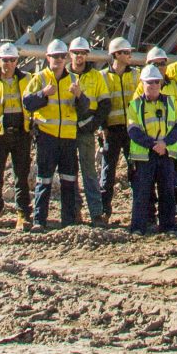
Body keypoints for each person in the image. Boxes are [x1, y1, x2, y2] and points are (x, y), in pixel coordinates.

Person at [23, 38, 89, 227]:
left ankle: (68, 221)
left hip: (68, 137)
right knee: (44, 180)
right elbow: (27, 103)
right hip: (47, 136)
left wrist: (79, 96)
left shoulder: (74, 80)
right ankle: (39, 220)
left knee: (69, 180)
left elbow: (84, 109)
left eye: (61, 56)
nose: (58, 60)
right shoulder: (40, 79)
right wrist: (43, 93)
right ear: (47, 57)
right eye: (54, 56)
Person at [126, 64, 177, 234]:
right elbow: (133, 130)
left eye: (156, 82)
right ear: (142, 83)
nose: (153, 86)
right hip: (144, 156)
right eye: (149, 82)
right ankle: (138, 227)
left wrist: (164, 144)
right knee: (142, 193)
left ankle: (168, 225)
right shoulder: (135, 105)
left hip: (165, 154)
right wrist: (153, 145)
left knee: (167, 191)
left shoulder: (170, 102)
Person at [0, 41, 33, 224]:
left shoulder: (27, 78)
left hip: (21, 132)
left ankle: (23, 213)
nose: (8, 64)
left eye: (12, 60)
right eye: (5, 60)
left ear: (17, 61)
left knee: (21, 175)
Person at [65, 36, 111, 221]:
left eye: (83, 53)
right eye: (76, 53)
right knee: (69, 172)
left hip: (85, 131)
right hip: (66, 130)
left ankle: (96, 213)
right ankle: (74, 210)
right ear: (70, 54)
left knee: (89, 172)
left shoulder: (95, 77)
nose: (79, 56)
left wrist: (93, 125)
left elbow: (105, 104)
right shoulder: (63, 75)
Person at [98, 37, 142, 222]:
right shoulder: (103, 77)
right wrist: (102, 127)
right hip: (112, 130)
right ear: (115, 54)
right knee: (108, 171)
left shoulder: (136, 75)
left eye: (129, 52)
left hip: (132, 130)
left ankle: (139, 211)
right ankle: (104, 210)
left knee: (136, 170)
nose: (129, 55)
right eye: (125, 52)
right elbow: (99, 103)